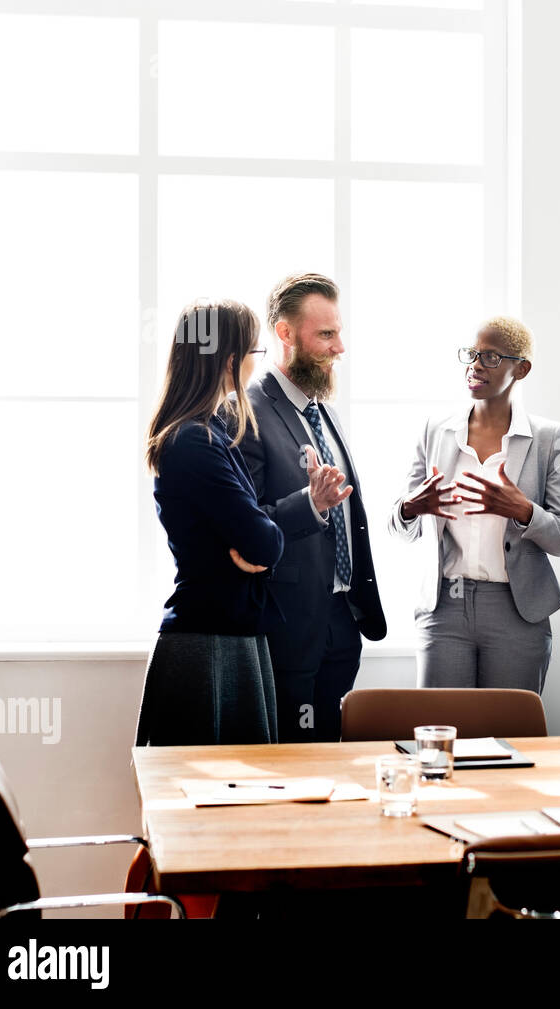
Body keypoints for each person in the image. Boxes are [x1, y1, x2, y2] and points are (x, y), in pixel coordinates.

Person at [389, 317, 560, 691]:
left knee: (510, 736)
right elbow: (400, 526)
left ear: (520, 368)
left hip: (516, 610)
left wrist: (522, 510)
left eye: (490, 357)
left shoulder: (548, 438)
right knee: (441, 737)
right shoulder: (435, 429)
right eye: (472, 355)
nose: (475, 365)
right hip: (444, 608)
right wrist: (410, 508)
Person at [240, 273, 386, 742]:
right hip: (288, 625)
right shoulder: (246, 412)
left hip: (343, 619)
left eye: (338, 332)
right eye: (325, 334)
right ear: (284, 334)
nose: (339, 346)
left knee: (330, 756)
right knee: (291, 762)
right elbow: (245, 527)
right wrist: (310, 503)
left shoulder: (323, 409)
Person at [137, 299, 284, 746]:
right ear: (229, 361)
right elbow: (264, 541)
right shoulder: (193, 441)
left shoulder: (210, 432)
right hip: (208, 645)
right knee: (201, 801)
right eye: (256, 354)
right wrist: (259, 541)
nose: (257, 366)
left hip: (228, 634)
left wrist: (258, 539)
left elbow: (258, 537)